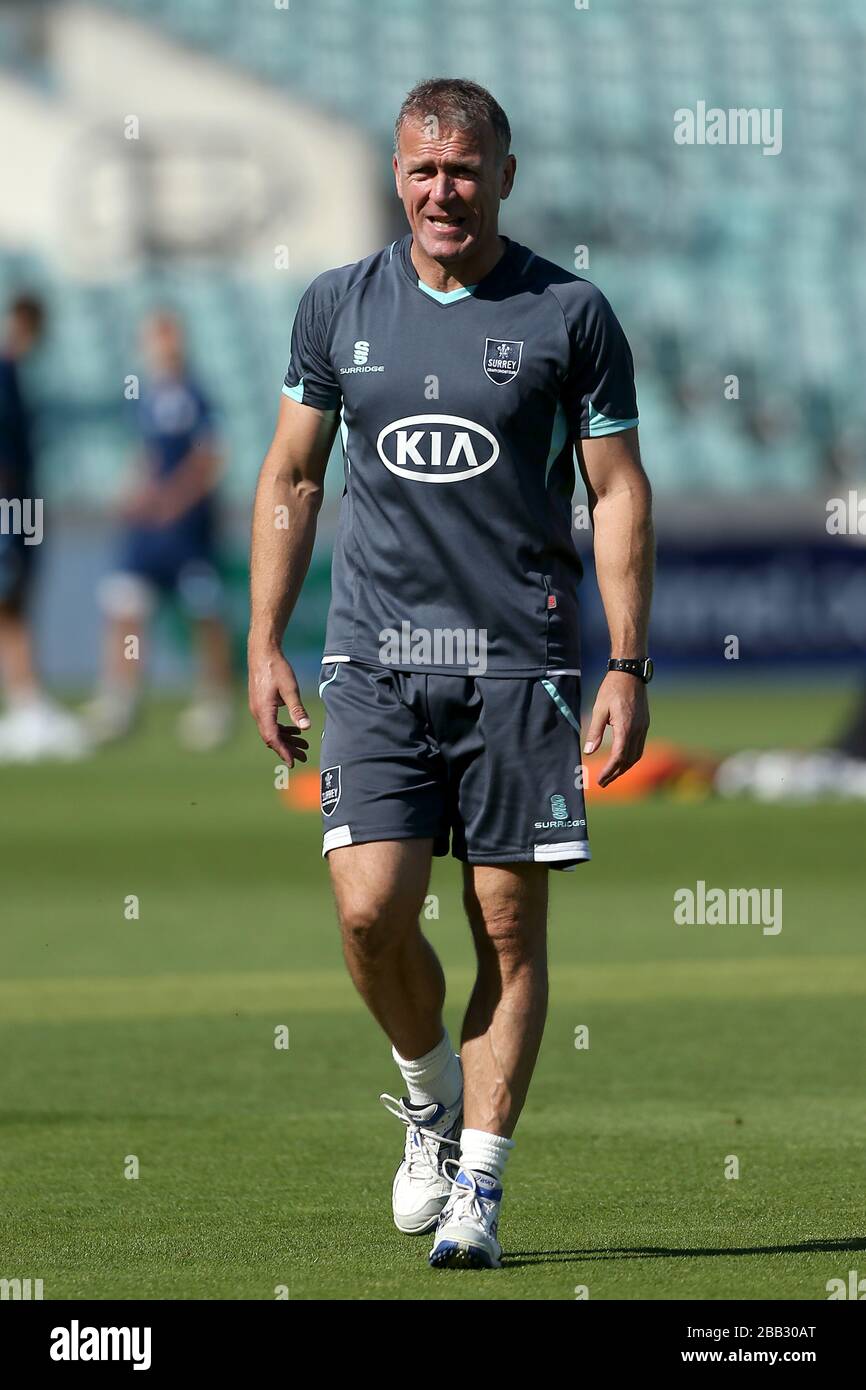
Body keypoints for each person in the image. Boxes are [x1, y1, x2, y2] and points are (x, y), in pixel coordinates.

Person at [248, 79, 654, 1269]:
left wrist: (622, 660)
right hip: (371, 660)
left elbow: (616, 490)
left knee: (505, 928)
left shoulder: (569, 313)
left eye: (464, 171)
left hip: (516, 667)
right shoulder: (335, 308)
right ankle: (427, 1097)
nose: (442, 191)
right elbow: (291, 476)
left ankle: (477, 1185)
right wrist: (267, 639)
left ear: (504, 176)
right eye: (422, 171)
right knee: (370, 913)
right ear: (394, 176)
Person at [86, 311, 233, 750]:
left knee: (204, 612)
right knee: (125, 607)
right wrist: (134, 492)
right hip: (149, 532)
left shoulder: (196, 396)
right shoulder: (146, 396)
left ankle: (215, 701)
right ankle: (120, 699)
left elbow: (211, 458)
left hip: (187, 532)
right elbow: (147, 455)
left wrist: (174, 499)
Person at [0, 293, 88, 762]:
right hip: (11, 506)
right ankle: (26, 704)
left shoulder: (19, 375)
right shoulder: (7, 372)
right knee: (12, 597)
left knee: (18, 597)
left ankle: (26, 701)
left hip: (22, 503)